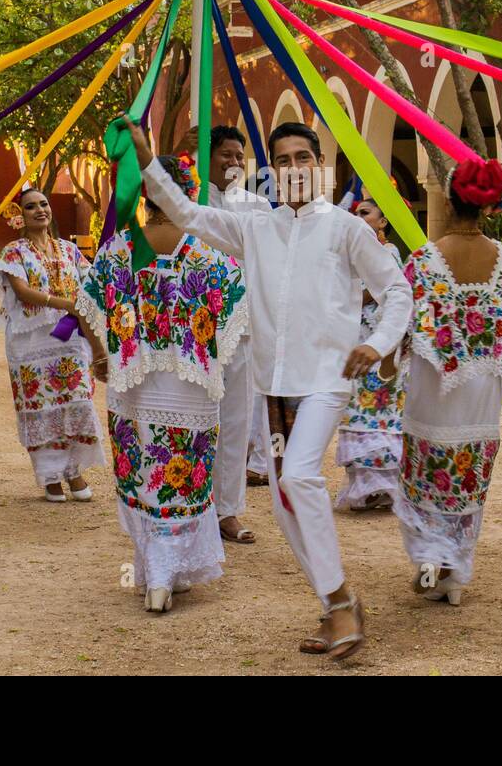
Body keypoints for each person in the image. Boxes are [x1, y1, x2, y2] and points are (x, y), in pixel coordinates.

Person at [124, 115, 411, 661]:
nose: (294, 168)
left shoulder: (346, 228)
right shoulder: (253, 225)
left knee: (302, 475)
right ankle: (336, 608)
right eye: (282, 161)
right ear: (271, 172)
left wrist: (378, 343)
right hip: (272, 389)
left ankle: (341, 601)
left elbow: (396, 291)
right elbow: (184, 213)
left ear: (318, 166)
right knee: (284, 504)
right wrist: (144, 158)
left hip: (328, 380)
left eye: (303, 158)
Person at [76, 154, 247, 612]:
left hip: (133, 384)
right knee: (184, 479)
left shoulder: (118, 249)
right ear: (187, 192)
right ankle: (163, 574)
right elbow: (239, 312)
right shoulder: (211, 253)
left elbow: (84, 301)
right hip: (190, 390)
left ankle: (159, 570)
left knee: (145, 474)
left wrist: (100, 354)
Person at [393, 159, 502, 604]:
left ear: (451, 198)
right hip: (482, 384)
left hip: (434, 379)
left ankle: (429, 558)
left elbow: (400, 321)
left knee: (427, 463)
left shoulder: (422, 260)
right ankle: (455, 570)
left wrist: (391, 362)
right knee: (467, 466)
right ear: (489, 207)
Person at [0, 188, 106, 501]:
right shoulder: (13, 252)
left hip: (69, 340)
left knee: (76, 401)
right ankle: (50, 475)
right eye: (31, 207)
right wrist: (65, 303)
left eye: (43, 204)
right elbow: (22, 292)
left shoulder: (69, 251)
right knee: (41, 407)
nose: (39, 210)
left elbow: (91, 286)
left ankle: (74, 471)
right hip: (31, 343)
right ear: (21, 214)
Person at [202, 125, 271, 544]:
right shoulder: (189, 201)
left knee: (236, 421)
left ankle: (227, 510)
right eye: (223, 154)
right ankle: (190, 505)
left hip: (242, 325)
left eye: (236, 156)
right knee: (196, 419)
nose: (231, 163)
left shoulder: (258, 205)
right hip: (195, 328)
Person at [335, 197, 408, 511]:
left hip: (378, 348)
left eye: (365, 213)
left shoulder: (387, 252)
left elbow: (380, 293)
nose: (358, 218)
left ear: (383, 221)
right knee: (357, 414)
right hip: (355, 344)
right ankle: (364, 485)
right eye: (355, 213)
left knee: (379, 416)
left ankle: (382, 486)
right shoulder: (352, 254)